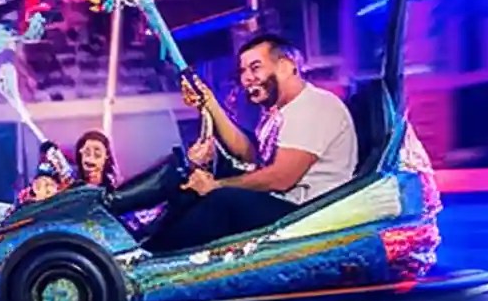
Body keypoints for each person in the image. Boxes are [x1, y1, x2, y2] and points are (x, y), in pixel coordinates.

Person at [148, 33, 358, 251]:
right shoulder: (278, 112)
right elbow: (249, 154)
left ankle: (154, 257)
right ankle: (144, 239)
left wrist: (215, 186)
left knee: (223, 200)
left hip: (309, 214)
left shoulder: (315, 106)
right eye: (243, 72)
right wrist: (209, 103)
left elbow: (281, 178)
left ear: (286, 67)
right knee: (189, 182)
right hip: (286, 204)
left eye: (255, 68)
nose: (246, 78)